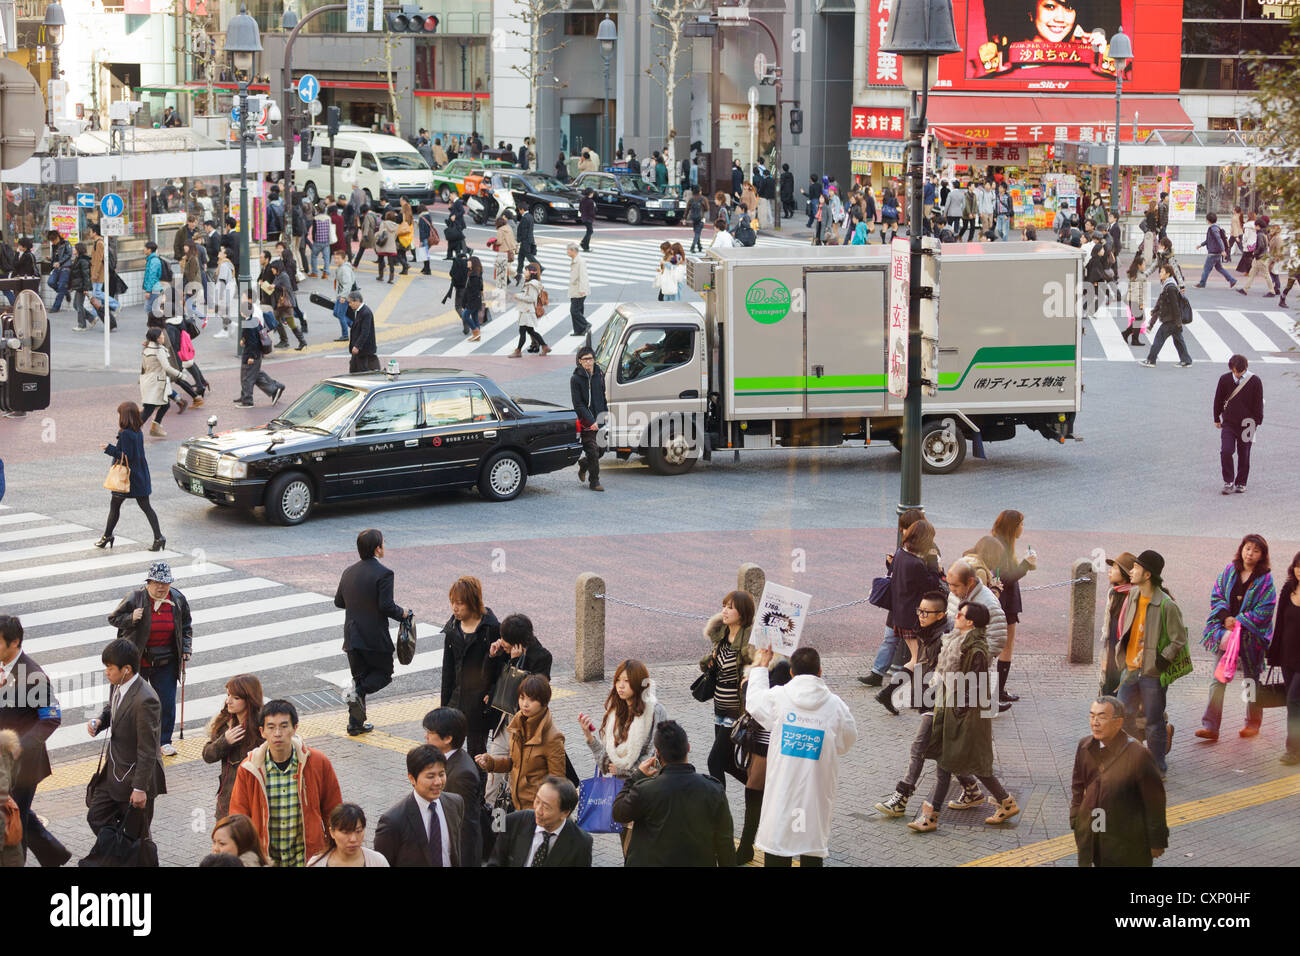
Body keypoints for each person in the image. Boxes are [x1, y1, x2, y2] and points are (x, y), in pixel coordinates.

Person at [908, 602, 1020, 833]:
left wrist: (957, 714)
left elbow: (974, 688)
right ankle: (1006, 802)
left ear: (970, 622)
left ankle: (930, 817)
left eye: (961, 614)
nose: (955, 616)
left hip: (964, 716)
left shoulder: (975, 649)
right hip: (952, 710)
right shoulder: (957, 641)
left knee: (946, 763)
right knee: (972, 765)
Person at [745, 646, 855, 866]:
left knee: (778, 846)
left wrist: (761, 665)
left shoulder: (779, 698)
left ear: (792, 673)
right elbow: (847, 740)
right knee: (810, 848)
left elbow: (754, 701)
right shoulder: (836, 706)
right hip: (814, 792)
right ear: (820, 672)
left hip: (783, 791)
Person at [873, 592, 971, 820]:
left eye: (926, 612)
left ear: (940, 615)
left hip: (940, 702)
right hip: (933, 700)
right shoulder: (928, 633)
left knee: (919, 748)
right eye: (919, 611)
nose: (921, 615)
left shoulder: (943, 638)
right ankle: (976, 788)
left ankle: (902, 796)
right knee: (942, 753)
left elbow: (944, 674)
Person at [229, 699, 342, 866]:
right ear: (262, 731)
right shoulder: (249, 769)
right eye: (271, 727)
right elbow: (239, 818)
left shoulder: (317, 762)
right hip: (265, 859)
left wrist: (332, 848)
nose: (277, 733)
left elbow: (333, 811)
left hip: (308, 859)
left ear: (294, 728)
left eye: (284, 726)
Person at [609, 720, 734, 867]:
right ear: (688, 748)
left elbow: (618, 812)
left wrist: (636, 776)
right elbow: (725, 843)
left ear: (657, 754)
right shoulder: (713, 790)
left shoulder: (644, 790)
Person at [0, 616, 70, 867]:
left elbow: (51, 718)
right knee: (20, 812)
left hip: (23, 765)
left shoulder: (32, 676)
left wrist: (19, 746)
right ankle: (54, 855)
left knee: (12, 817)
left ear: (14, 642)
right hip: (3, 763)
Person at [85, 639, 165, 857]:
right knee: (96, 816)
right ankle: (118, 856)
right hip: (113, 772)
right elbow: (113, 707)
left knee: (138, 838)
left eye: (110, 668)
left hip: (135, 780)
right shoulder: (118, 684)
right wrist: (101, 721)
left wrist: (140, 788)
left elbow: (148, 749)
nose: (106, 673)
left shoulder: (146, 700)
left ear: (126, 669)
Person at [1071, 696, 1169, 867]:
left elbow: (1155, 801)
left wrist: (1157, 841)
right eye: (1092, 716)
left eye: (1102, 717)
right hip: (1094, 832)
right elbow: (1078, 785)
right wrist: (1076, 818)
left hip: (1126, 839)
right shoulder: (1084, 746)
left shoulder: (1138, 754)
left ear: (1118, 723)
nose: (1095, 722)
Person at [1196, 535, 1277, 741]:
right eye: (1247, 548)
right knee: (1218, 679)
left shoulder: (1265, 579)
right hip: (1226, 635)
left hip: (1251, 637)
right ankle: (1211, 726)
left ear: (1262, 555)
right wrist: (1225, 618)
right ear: (1241, 549)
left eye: (1255, 550)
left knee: (1250, 680)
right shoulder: (1229, 571)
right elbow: (1217, 595)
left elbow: (1265, 609)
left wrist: (1240, 620)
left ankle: (1252, 723)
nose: (1250, 553)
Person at [106, 560, 191, 755]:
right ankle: (128, 738)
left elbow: (186, 626)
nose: (161, 587)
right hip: (138, 661)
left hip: (166, 661)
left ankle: (164, 740)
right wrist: (130, 619)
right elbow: (113, 618)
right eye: (157, 583)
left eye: (165, 583)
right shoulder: (135, 598)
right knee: (131, 700)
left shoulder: (177, 599)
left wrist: (186, 648)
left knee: (166, 702)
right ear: (149, 582)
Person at [1115, 550, 1188, 777]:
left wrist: (1162, 660)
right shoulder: (1134, 595)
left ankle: (1158, 769)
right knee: (1119, 716)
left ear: (1147, 574)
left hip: (1152, 673)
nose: (1132, 570)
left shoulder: (1166, 605)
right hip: (1130, 669)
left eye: (1136, 567)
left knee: (1153, 722)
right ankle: (1134, 757)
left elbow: (1179, 639)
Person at [334, 528, 410, 736]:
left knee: (360, 677)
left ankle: (355, 724)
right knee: (383, 674)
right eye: (383, 543)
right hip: (373, 637)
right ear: (377, 549)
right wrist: (403, 613)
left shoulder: (348, 571)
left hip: (352, 636)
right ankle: (355, 694)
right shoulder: (384, 573)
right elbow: (386, 606)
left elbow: (339, 601)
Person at [876, 518, 944, 714]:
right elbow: (931, 584)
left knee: (917, 659)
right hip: (912, 618)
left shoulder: (900, 553)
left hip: (901, 615)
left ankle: (892, 694)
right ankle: (904, 696)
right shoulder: (915, 563)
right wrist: (934, 565)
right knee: (918, 659)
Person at [475, 674, 566, 812]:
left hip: (536, 810)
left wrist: (545, 810)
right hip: (513, 802)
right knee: (498, 828)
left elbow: (557, 781)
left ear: (544, 702)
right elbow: (514, 763)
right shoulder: (518, 723)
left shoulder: (552, 737)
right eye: (522, 697)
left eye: (532, 699)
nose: (525, 704)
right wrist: (492, 763)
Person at [698, 590, 756, 790]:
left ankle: (719, 813)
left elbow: (757, 670)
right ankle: (761, 790)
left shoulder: (749, 643)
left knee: (714, 760)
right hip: (719, 710)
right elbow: (717, 668)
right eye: (724, 606)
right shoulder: (722, 637)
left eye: (730, 607)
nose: (724, 611)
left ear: (743, 612)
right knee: (725, 762)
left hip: (735, 711)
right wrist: (709, 663)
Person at [440, 576, 502, 757]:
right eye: (452, 602)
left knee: (477, 753)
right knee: (450, 752)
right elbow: (448, 670)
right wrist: (444, 706)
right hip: (455, 700)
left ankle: (480, 786)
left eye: (459, 603)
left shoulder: (490, 628)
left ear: (473, 602)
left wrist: (492, 692)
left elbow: (499, 666)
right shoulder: (452, 629)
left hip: (479, 703)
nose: (455, 608)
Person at [374, 745, 465, 866]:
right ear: (412, 778)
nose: (438, 782)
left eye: (441, 774)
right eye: (430, 776)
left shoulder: (455, 803)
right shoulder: (393, 821)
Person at [581, 659, 667, 781]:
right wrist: (589, 736)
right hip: (621, 790)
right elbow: (606, 764)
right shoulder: (615, 712)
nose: (620, 685)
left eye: (627, 681)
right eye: (618, 680)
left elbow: (655, 757)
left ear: (638, 683)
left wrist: (625, 771)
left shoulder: (655, 711)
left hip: (646, 787)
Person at [96, 402, 165, 552]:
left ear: (125, 416)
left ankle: (107, 536)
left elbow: (126, 456)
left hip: (127, 478)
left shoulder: (126, 433)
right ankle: (159, 537)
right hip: (140, 475)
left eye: (119, 414)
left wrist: (109, 449)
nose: (118, 416)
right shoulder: (137, 431)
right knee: (146, 507)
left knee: (115, 507)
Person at [423, 707, 484, 867]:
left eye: (430, 733)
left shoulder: (461, 775)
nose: (426, 736)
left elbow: (464, 825)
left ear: (447, 738)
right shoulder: (451, 760)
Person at [486, 776, 593, 866]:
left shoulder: (580, 843)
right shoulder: (514, 822)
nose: (538, 810)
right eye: (537, 801)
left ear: (565, 813)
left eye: (546, 807)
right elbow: (495, 862)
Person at [991, 509, 1035, 709]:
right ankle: (995, 692)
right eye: (1021, 524)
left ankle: (999, 690)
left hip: (1006, 600)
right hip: (1003, 601)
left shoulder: (1001, 543)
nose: (1022, 529)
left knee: (1006, 645)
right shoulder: (1000, 546)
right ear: (1013, 527)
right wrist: (1026, 564)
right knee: (1003, 645)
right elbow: (1004, 578)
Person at [202, 675, 264, 819]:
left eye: (235, 698)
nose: (228, 701)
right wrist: (224, 742)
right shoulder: (224, 721)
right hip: (227, 800)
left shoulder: (262, 726)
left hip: (254, 799)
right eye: (228, 695)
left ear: (249, 700)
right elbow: (208, 755)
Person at [1213, 353, 1264, 494]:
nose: (1236, 374)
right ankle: (1228, 481)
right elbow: (1218, 399)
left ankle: (1241, 482)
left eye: (1239, 372)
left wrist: (1256, 422)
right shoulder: (1224, 379)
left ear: (1246, 368)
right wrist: (1216, 417)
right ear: (1231, 369)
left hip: (1248, 424)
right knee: (1226, 451)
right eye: (1234, 371)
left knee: (1244, 454)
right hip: (1229, 422)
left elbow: (1258, 403)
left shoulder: (1255, 381)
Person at [1269, 552, 1300, 765]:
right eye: (1297, 566)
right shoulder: (1288, 589)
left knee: (1293, 700)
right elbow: (1279, 623)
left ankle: (1293, 750)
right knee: (1294, 705)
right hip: (1288, 657)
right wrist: (1274, 654)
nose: (1299, 570)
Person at [1099, 552, 1139, 697]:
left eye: (1114, 568)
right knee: (1108, 691)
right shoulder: (1113, 593)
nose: (1110, 571)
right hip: (1111, 652)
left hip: (1125, 655)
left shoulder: (1135, 596)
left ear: (1125, 573)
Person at [1139, 264, 1193, 368]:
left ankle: (1151, 360)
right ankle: (1186, 360)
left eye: (1162, 272)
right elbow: (1162, 302)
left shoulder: (1170, 288)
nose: (1160, 274)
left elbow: (1175, 306)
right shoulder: (1167, 285)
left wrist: (1178, 322)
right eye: (1160, 272)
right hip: (1172, 320)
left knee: (1159, 339)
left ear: (1168, 274)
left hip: (1170, 320)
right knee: (1178, 340)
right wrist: (1155, 310)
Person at [236, 296, 284, 408]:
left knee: (247, 376)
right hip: (257, 353)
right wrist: (244, 340)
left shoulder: (248, 323)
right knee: (255, 375)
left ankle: (248, 401)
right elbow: (254, 337)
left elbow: (252, 341)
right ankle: (276, 386)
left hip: (252, 354)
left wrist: (251, 356)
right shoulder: (255, 320)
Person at [571, 346, 607, 492]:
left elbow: (602, 396)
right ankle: (594, 481)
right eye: (585, 359)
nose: (588, 362)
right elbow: (578, 404)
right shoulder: (576, 379)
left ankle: (584, 464)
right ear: (580, 361)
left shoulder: (599, 374)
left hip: (599, 417)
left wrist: (604, 415)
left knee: (602, 449)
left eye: (590, 359)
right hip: (586, 420)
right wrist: (591, 421)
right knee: (592, 450)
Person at [137, 328, 184, 438]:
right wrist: (180, 375)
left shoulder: (146, 348)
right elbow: (166, 367)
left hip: (148, 380)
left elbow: (144, 366)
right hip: (157, 382)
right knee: (149, 409)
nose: (163, 337)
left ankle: (155, 427)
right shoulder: (159, 350)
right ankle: (132, 431)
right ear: (157, 338)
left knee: (165, 404)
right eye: (162, 335)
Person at [307, 804, 390, 867]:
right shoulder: (316, 863)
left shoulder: (378, 862)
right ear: (332, 832)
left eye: (358, 831)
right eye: (346, 832)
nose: (353, 839)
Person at [508, 262, 551, 357]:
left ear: (531, 272)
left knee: (523, 331)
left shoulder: (532, 285)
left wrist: (518, 296)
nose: (524, 272)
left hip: (527, 311)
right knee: (530, 331)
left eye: (526, 270)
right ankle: (544, 346)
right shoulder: (530, 283)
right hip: (526, 310)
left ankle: (518, 351)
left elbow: (531, 298)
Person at [1194, 212, 1237, 289]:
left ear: (1208, 220)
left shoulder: (1213, 229)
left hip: (1213, 253)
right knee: (1219, 268)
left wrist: (1223, 250)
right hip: (1217, 252)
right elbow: (1208, 240)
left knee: (1206, 268)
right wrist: (1200, 245)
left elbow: (1219, 239)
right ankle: (1232, 280)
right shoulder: (1217, 227)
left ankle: (1202, 283)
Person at [346, 290, 378, 372]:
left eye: (350, 302)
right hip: (359, 350)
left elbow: (365, 332)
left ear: (356, 301)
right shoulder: (360, 311)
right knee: (354, 370)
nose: (349, 305)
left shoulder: (366, 312)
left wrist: (357, 346)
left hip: (363, 350)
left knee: (362, 371)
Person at [68, 242, 95, 330]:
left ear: (79, 250)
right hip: (79, 286)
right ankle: (92, 318)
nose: (73, 250)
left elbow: (86, 276)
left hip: (82, 287)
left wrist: (86, 288)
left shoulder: (83, 261)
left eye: (74, 248)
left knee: (78, 305)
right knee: (76, 305)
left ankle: (82, 325)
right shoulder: (78, 259)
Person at [331, 250, 356, 341]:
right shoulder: (341, 267)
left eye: (338, 258)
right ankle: (354, 326)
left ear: (344, 259)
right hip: (341, 294)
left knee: (340, 314)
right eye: (335, 258)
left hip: (345, 295)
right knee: (336, 313)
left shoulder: (344, 269)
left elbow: (347, 283)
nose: (335, 260)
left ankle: (345, 335)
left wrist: (343, 297)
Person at [566, 242, 590, 336]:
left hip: (579, 290)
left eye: (568, 250)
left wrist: (582, 289)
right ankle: (578, 330)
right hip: (575, 289)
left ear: (574, 251)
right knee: (578, 310)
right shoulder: (575, 260)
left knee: (574, 311)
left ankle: (586, 324)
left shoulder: (580, 261)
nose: (567, 252)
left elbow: (583, 276)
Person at [512, 208, 542, 284]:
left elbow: (524, 230)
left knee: (529, 256)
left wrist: (520, 239)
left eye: (519, 210)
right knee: (520, 257)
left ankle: (540, 267)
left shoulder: (525, 218)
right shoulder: (530, 216)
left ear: (522, 209)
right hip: (528, 240)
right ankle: (519, 272)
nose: (519, 212)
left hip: (525, 241)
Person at [459, 256, 483, 340]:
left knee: (465, 315)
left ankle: (475, 331)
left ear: (473, 263)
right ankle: (477, 336)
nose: (467, 262)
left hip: (473, 301)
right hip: (476, 300)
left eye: (469, 261)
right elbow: (480, 288)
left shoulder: (474, 276)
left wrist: (467, 302)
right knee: (474, 317)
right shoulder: (475, 274)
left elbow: (473, 291)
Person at [686, 188, 707, 253]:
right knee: (697, 233)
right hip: (701, 218)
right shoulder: (703, 199)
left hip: (694, 218)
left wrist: (684, 218)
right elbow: (707, 208)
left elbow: (687, 209)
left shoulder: (691, 199)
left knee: (697, 232)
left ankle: (699, 246)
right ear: (700, 191)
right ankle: (693, 246)